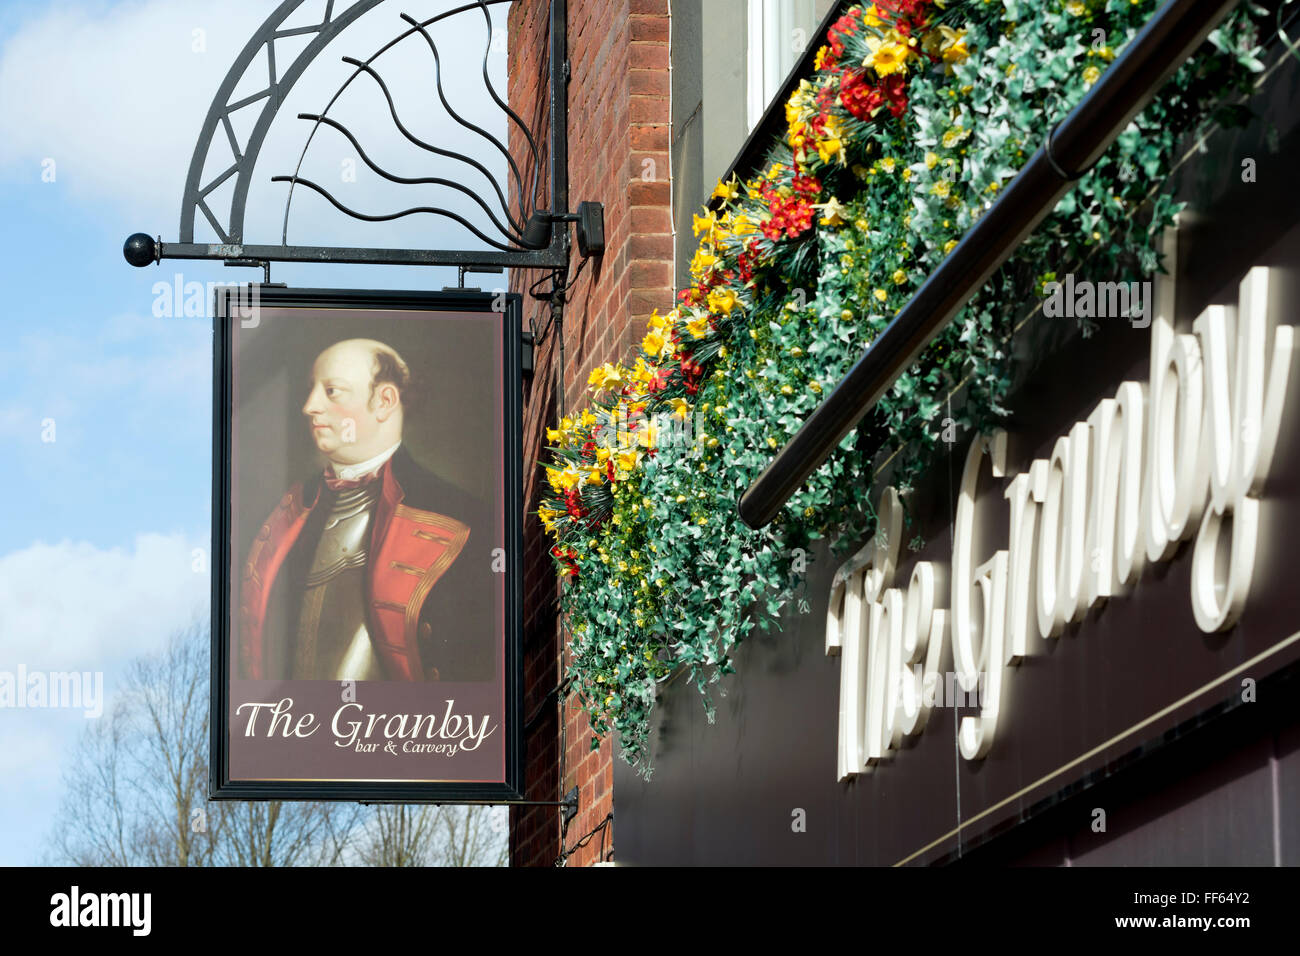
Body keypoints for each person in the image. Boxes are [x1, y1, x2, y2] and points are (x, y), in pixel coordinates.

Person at [237, 338, 493, 682]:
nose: (310, 406)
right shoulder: (285, 515)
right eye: (311, 389)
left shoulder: (462, 517)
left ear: (384, 401)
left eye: (331, 391)